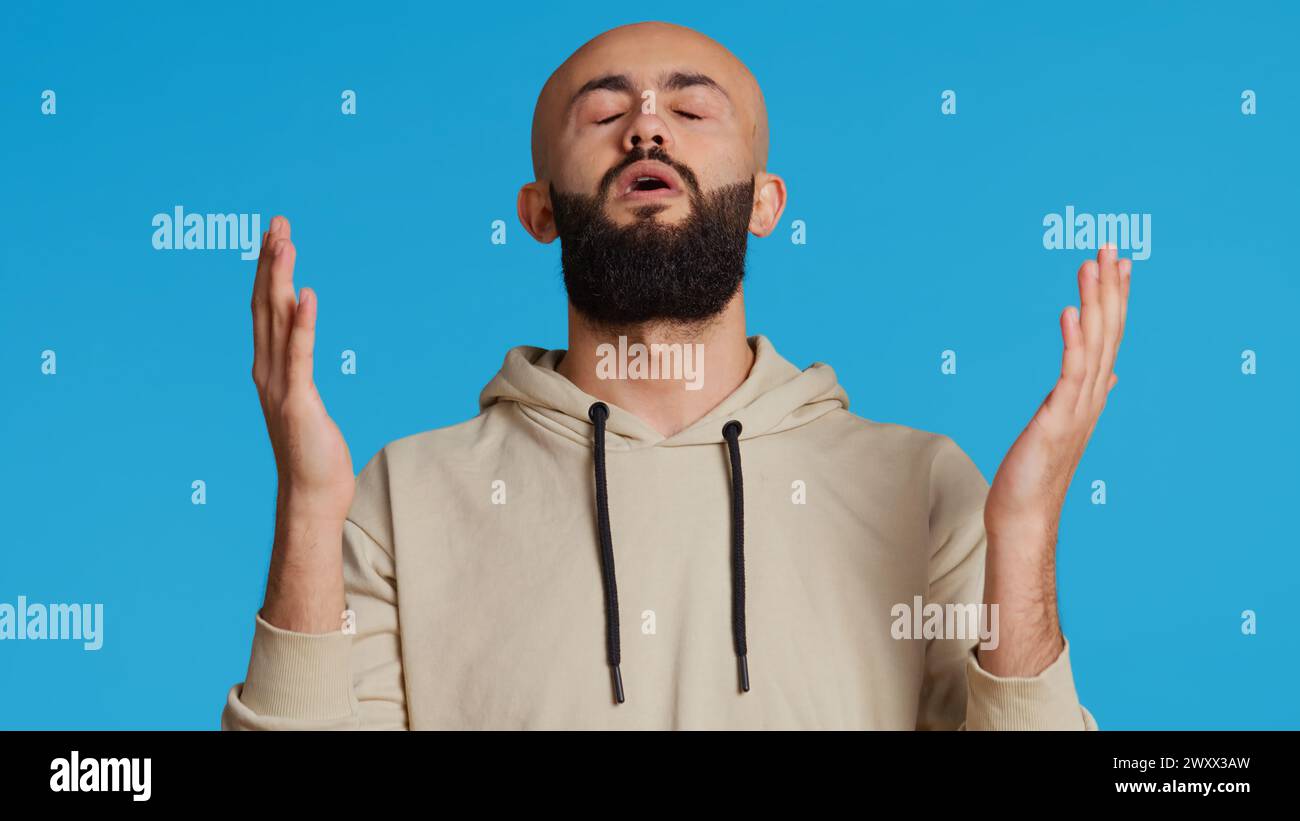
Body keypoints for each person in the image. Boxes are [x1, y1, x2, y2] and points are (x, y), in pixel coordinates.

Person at [222, 20, 1127, 730]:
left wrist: (1023, 536)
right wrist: (306, 505)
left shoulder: (922, 485)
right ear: (538, 210)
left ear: (768, 203)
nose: (646, 125)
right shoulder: (402, 496)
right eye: (605, 112)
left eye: (690, 111)